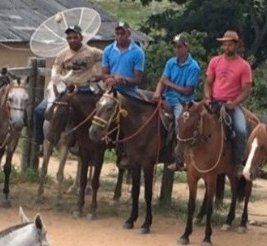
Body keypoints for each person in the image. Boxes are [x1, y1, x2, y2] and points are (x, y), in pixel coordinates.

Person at [34, 24, 103, 148]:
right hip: (68, 89)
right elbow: (56, 69)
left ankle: (99, 142)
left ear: (81, 37)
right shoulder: (62, 54)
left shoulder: (92, 52)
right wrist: (56, 77)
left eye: (75, 37)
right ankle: (40, 142)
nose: (72, 40)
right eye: (69, 38)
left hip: (86, 89)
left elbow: (108, 58)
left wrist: (103, 76)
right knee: (39, 111)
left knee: (102, 110)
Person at [204, 29, 253, 178]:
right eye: (224, 44)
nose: (226, 47)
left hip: (231, 105)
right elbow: (207, 82)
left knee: (241, 130)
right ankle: (188, 157)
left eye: (230, 45)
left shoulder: (244, 66)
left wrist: (234, 103)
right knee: (192, 121)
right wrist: (207, 97)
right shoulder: (214, 61)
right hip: (213, 102)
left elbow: (246, 90)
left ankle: (237, 163)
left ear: (237, 45)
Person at [153, 33, 200, 171]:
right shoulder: (170, 62)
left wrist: (169, 84)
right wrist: (157, 92)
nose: (177, 50)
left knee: (181, 124)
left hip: (183, 101)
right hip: (167, 97)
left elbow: (187, 90)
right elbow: (163, 80)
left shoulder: (193, 67)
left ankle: (180, 159)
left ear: (186, 47)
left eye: (180, 47)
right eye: (175, 47)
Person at [101, 21, 145, 97]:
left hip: (130, 92)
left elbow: (137, 80)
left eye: (122, 34)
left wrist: (123, 80)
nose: (120, 36)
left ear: (129, 34)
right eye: (117, 34)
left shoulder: (138, 52)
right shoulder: (108, 50)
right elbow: (104, 74)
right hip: (111, 91)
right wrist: (111, 78)